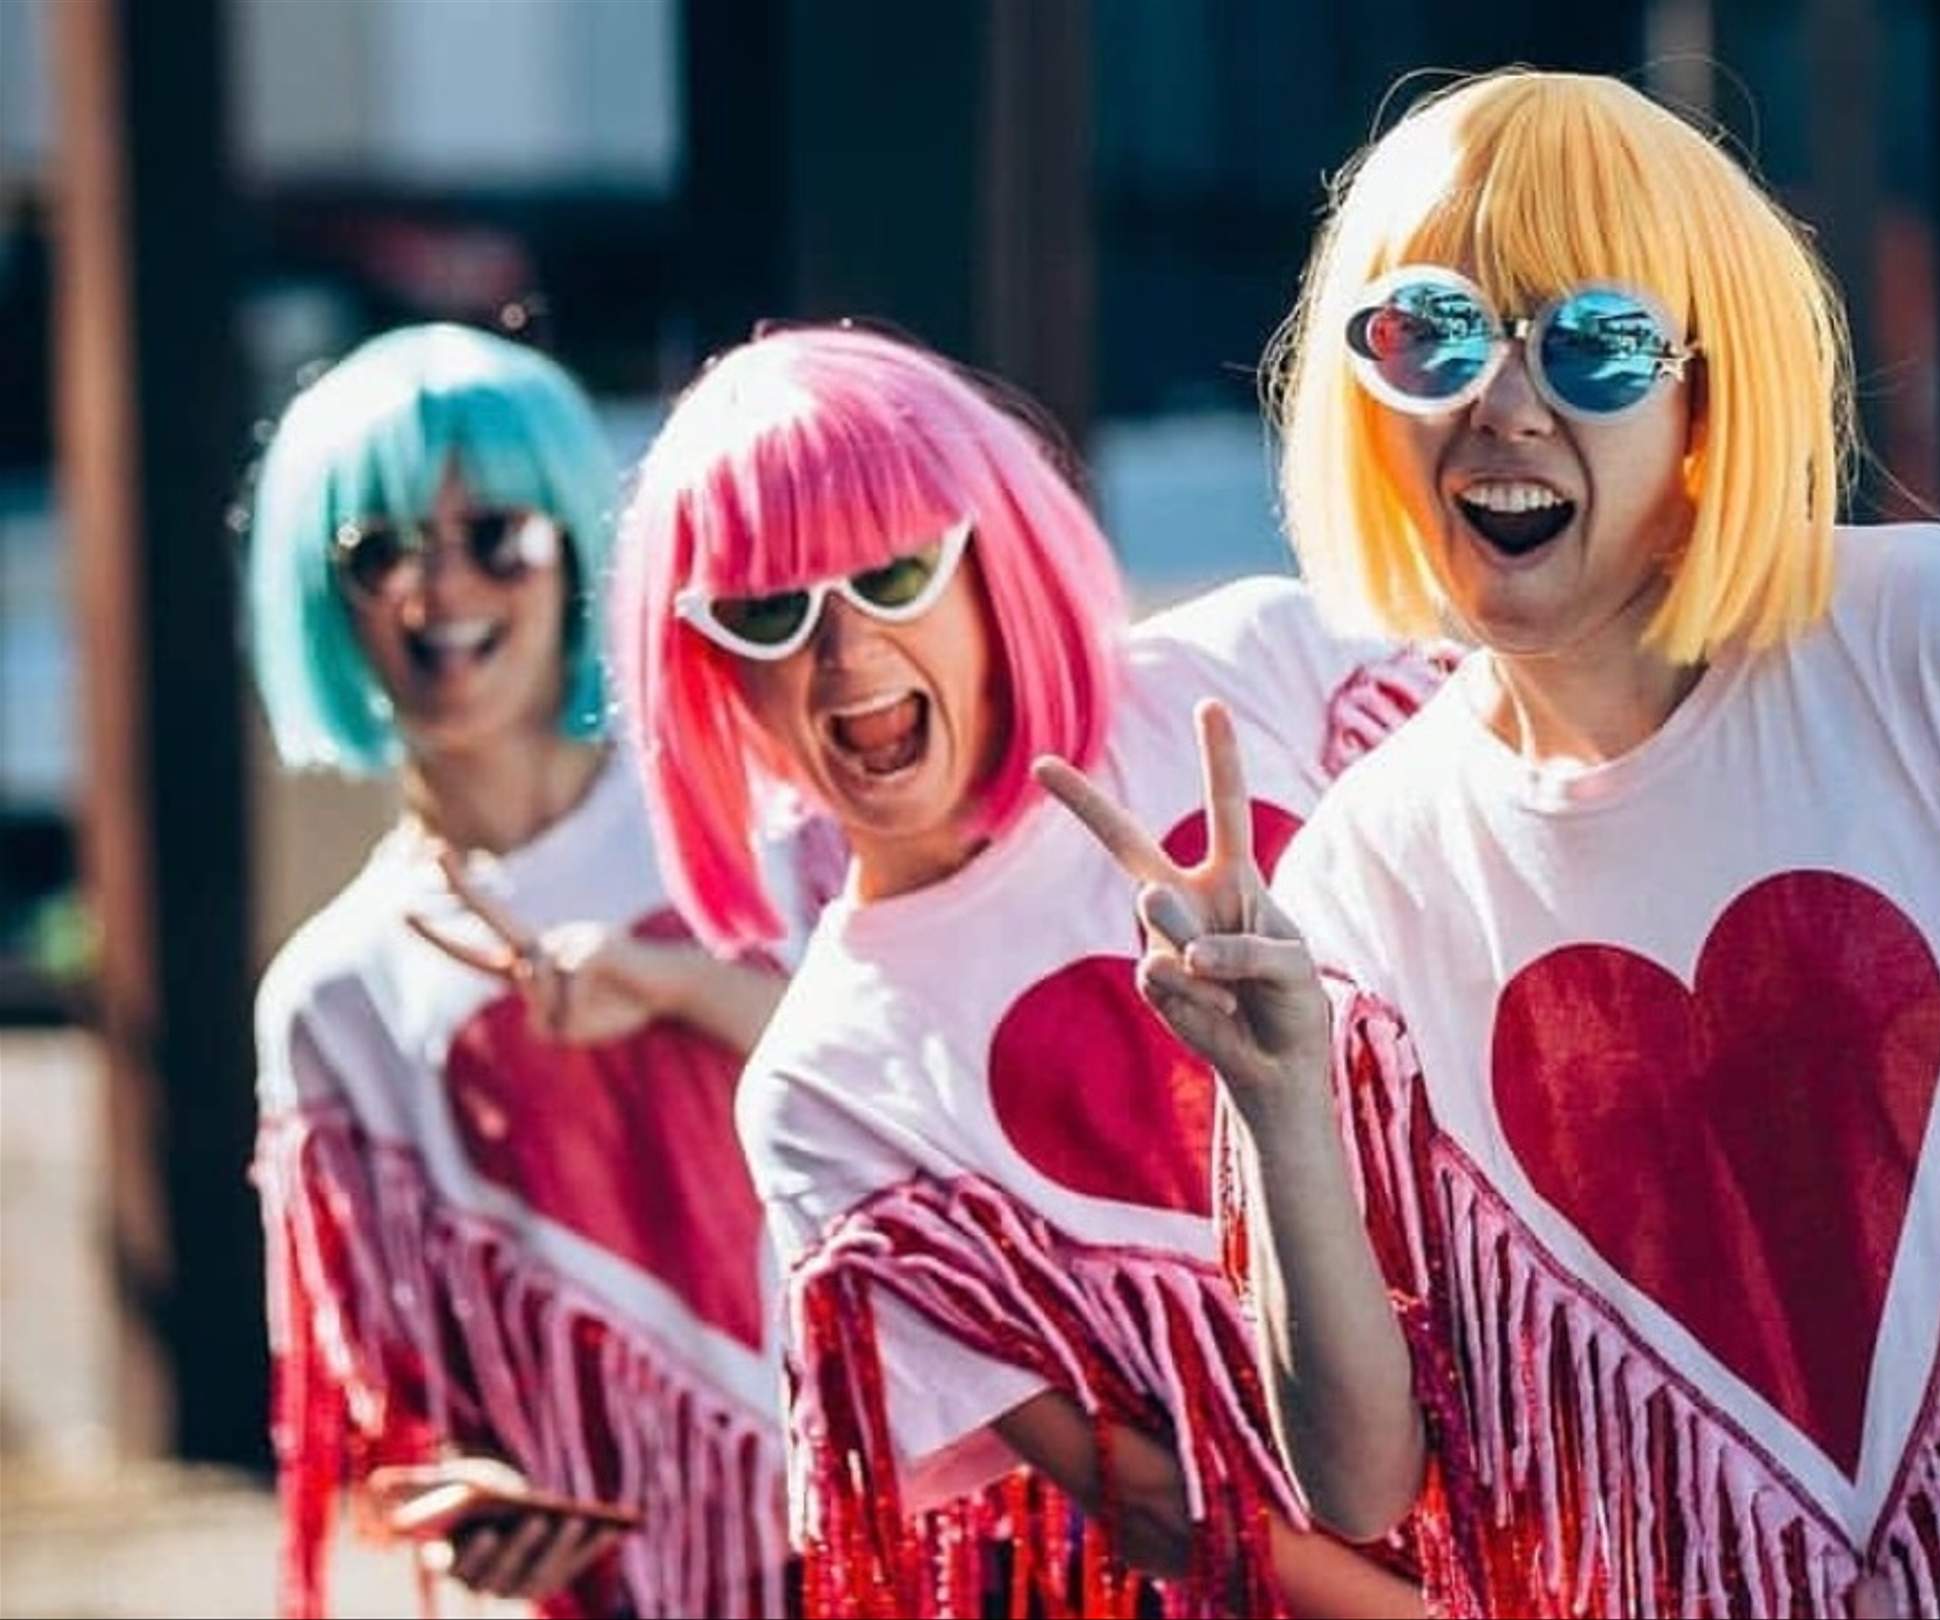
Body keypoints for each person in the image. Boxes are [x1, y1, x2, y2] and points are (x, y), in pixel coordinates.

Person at [1042, 70, 1940, 1618]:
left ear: (1707, 402)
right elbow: (1360, 1481)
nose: (1503, 401)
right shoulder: (1360, 883)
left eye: (1596, 343)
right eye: (1430, 332)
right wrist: (1280, 1101)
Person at [613, 325, 1439, 1617]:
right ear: (710, 665)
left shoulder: (1255, 676)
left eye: (893, 572)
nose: (844, 651)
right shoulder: (827, 1089)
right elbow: (1165, 1509)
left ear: (990, 556)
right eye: (771, 609)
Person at [245, 324, 801, 1617]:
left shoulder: (761, 808)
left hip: (934, 1540)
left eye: (497, 534)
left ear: (574, 544)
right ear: (319, 596)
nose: (438, 594)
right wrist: (463, 1511)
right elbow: (394, 1416)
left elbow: (922, 1112)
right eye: (378, 551)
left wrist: (679, 989)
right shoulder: (334, 995)